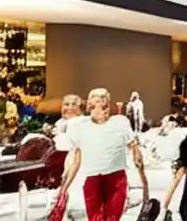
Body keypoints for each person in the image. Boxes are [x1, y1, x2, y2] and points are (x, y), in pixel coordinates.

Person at [60, 88, 145, 221]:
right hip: (93, 179)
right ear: (90, 107)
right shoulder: (81, 127)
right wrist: (65, 186)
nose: (104, 110)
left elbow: (133, 145)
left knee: (112, 217)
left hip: (116, 180)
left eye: (106, 106)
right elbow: (77, 157)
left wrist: (137, 155)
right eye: (97, 106)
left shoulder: (120, 123)